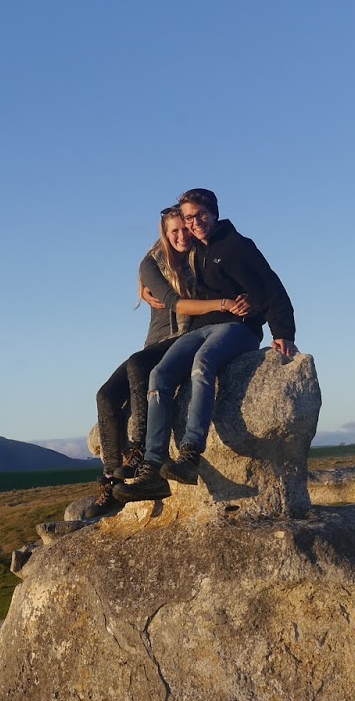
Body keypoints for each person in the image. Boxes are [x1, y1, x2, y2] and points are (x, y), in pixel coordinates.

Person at [118, 188, 297, 502]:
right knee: (159, 375)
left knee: (203, 364)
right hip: (201, 329)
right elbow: (159, 261)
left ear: (214, 212)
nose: (195, 222)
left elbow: (270, 286)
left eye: (200, 215)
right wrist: (144, 288)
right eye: (189, 218)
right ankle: (152, 469)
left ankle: (189, 456)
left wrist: (283, 332)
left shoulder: (236, 246)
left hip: (237, 329)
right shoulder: (194, 252)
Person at [82, 207, 248, 519]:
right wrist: (146, 290)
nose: (183, 235)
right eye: (175, 231)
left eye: (185, 228)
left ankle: (142, 453)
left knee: (137, 366)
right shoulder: (152, 262)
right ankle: (109, 480)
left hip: (185, 336)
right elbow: (172, 300)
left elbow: (229, 249)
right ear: (164, 233)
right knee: (105, 396)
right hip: (158, 342)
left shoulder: (201, 253)